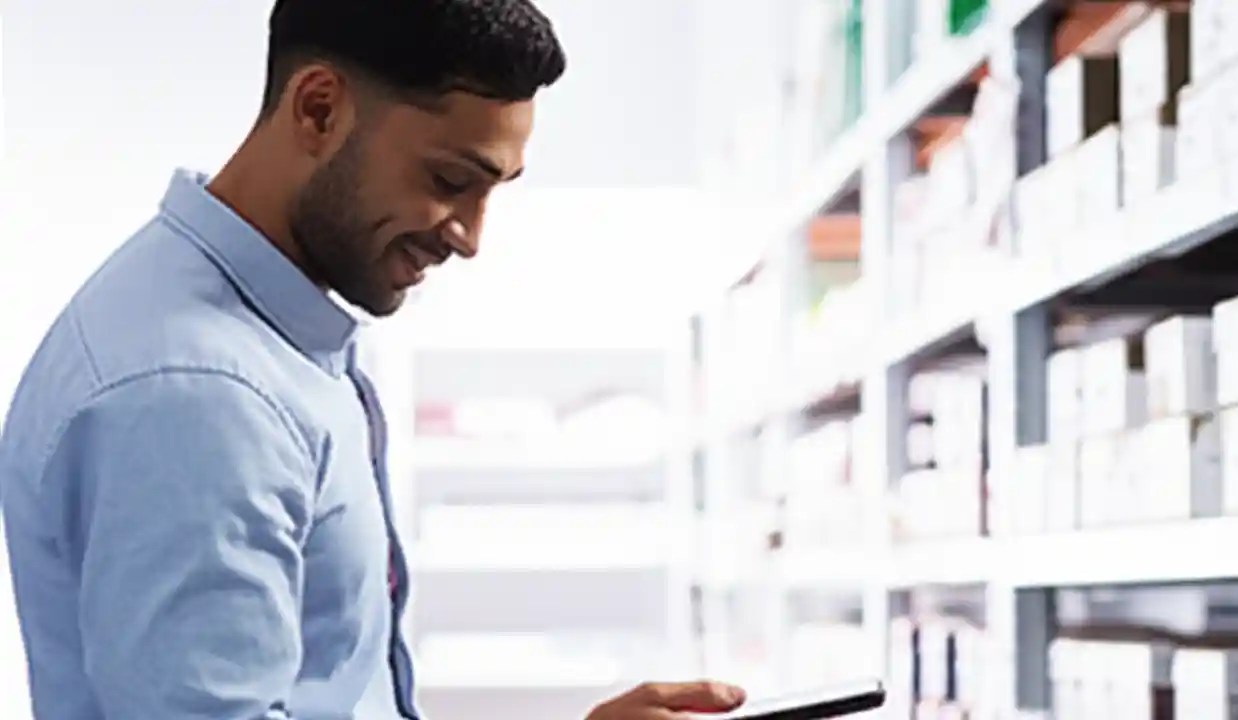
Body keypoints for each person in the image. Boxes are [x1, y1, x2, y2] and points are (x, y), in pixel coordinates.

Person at [0, 1, 747, 718]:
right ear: (319, 109)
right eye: (451, 182)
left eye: (492, 192)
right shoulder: (200, 397)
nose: (469, 236)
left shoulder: (265, 345)